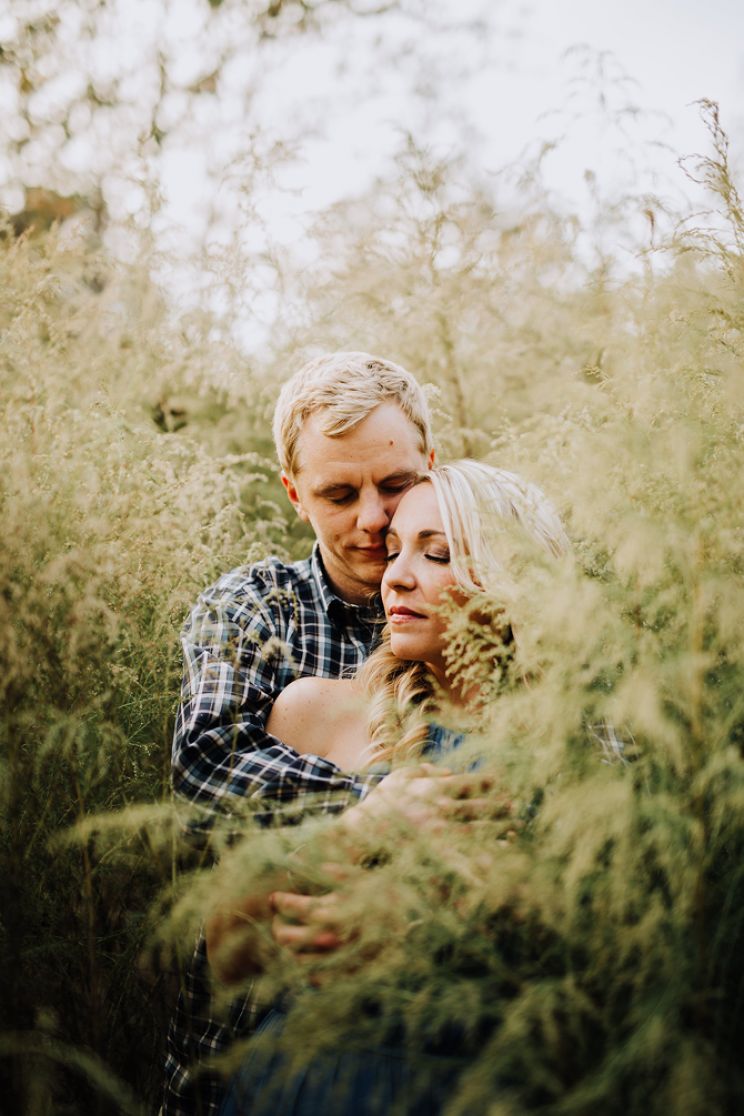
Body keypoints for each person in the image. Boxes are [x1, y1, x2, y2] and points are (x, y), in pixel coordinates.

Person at [165, 352, 480, 1116]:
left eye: (395, 486)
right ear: (294, 494)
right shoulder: (256, 611)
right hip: (257, 1043)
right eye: (340, 494)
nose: (373, 519)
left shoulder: (488, 606)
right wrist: (380, 810)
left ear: (430, 467)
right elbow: (209, 760)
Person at [208, 460, 570, 1115]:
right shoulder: (319, 714)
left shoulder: (571, 753)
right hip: (301, 1086)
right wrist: (357, 832)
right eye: (396, 549)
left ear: (515, 578)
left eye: (435, 554)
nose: (395, 575)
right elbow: (226, 955)